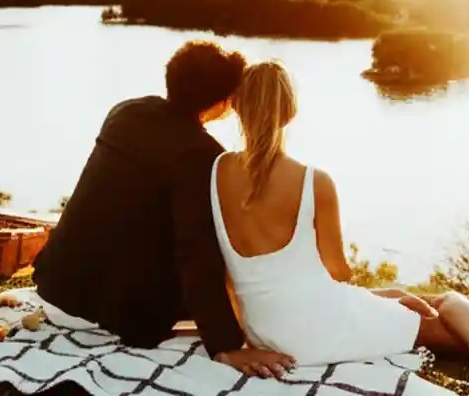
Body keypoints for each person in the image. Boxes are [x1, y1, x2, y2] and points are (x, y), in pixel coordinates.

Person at [211, 60, 469, 389]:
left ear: (238, 108)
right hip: (314, 332)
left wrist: (382, 296)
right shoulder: (314, 181)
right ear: (289, 113)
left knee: (409, 304)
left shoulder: (216, 172)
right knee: (440, 309)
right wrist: (378, 297)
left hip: (264, 330)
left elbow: (236, 276)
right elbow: (338, 272)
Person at [33, 40, 295, 378]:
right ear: (222, 101)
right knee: (239, 289)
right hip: (104, 314)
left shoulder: (125, 112)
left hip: (57, 288)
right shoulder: (202, 155)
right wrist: (225, 345)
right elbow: (196, 251)